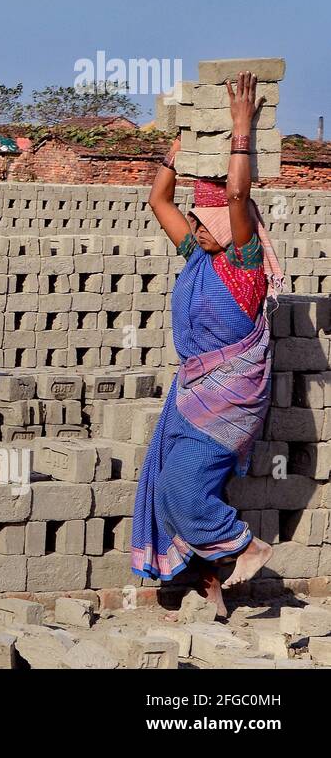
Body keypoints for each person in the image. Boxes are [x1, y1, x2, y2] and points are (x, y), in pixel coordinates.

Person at [132, 72, 284, 619]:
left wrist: (240, 126)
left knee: (186, 487)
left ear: (233, 225)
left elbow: (238, 192)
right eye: (194, 218)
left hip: (229, 398)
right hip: (191, 387)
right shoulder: (197, 256)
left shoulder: (244, 268)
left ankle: (246, 546)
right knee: (163, 488)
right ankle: (208, 588)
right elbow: (158, 198)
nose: (196, 224)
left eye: (207, 218)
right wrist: (183, 147)